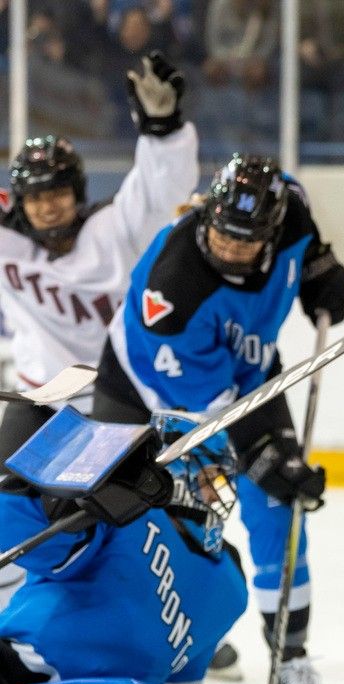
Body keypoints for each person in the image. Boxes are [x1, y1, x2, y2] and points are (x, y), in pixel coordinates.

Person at [91, 154, 344, 684]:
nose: (230, 248)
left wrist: (319, 270)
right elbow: (212, 415)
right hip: (146, 394)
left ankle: (290, 655)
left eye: (246, 240)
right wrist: (261, 458)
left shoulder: (289, 208)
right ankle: (171, 635)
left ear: (270, 232)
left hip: (244, 377)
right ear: (206, 214)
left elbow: (306, 242)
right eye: (222, 234)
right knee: (159, 518)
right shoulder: (173, 293)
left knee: (280, 511)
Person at [0, 51, 197, 608]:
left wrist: (163, 129)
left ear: (78, 191)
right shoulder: (7, 244)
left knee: (128, 517)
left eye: (58, 193)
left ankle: (171, 610)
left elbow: (160, 188)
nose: (48, 207)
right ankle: (11, 616)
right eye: (36, 197)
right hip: (40, 402)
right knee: (6, 507)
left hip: (118, 402)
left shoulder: (115, 229)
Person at [0, 409, 247, 684]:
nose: (215, 494)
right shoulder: (117, 511)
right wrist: (59, 496)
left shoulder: (230, 586)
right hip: (25, 678)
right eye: (207, 478)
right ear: (174, 471)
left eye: (221, 480)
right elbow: (11, 526)